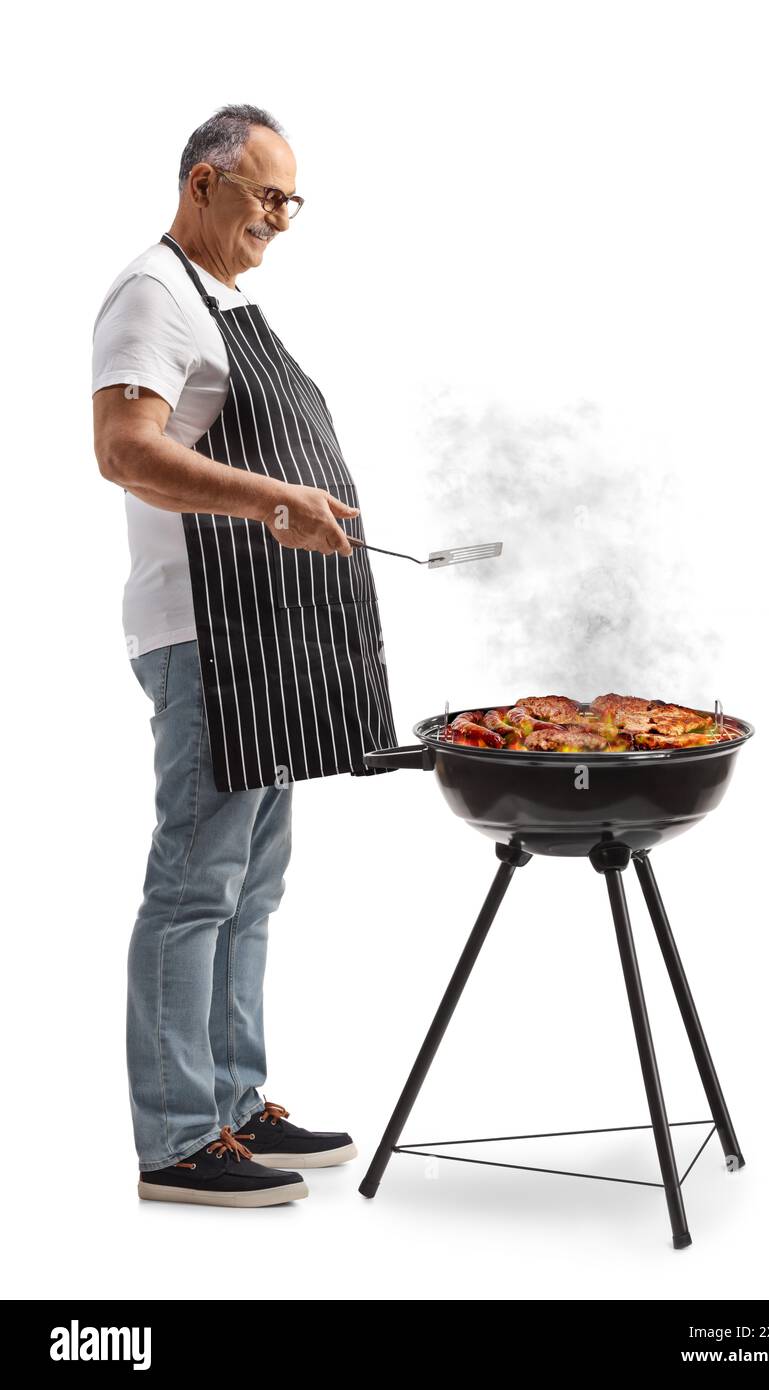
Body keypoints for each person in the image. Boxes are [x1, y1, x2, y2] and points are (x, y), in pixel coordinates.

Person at [92, 103, 398, 1209]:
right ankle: (178, 1139)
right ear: (202, 183)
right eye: (266, 195)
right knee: (194, 886)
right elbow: (123, 450)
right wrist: (277, 500)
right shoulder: (151, 293)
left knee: (251, 886)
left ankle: (230, 1100)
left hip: (265, 639)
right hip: (203, 639)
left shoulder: (220, 302)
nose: (281, 217)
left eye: (290, 199)